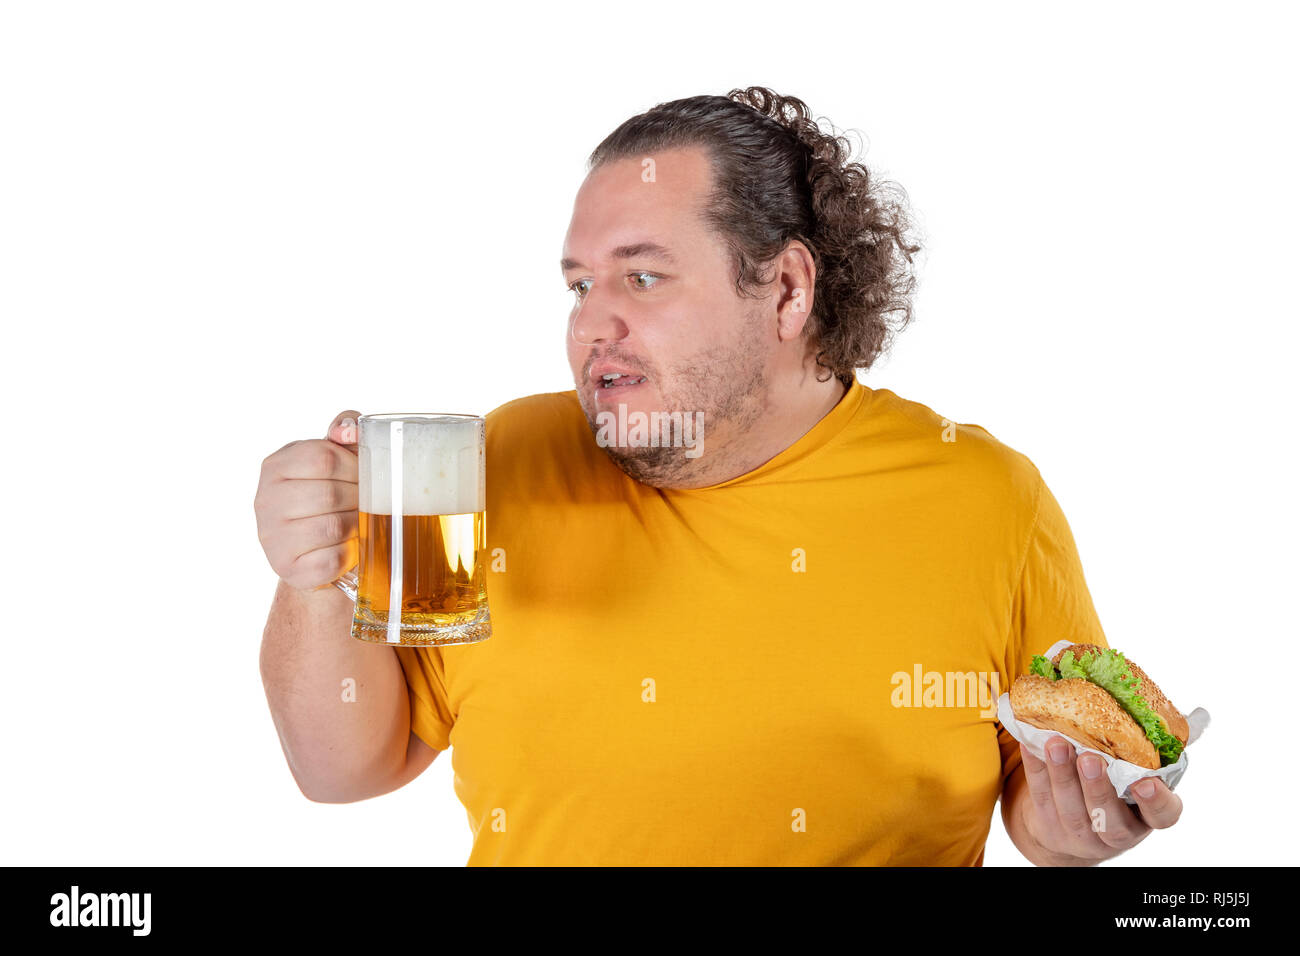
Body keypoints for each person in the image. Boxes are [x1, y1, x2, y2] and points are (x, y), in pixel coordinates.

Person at [254, 87, 1183, 865]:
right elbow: (341, 771)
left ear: (785, 290)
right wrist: (311, 579)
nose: (589, 326)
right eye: (579, 285)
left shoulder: (985, 497)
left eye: (642, 278)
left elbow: (1045, 787)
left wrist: (1072, 829)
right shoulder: (495, 462)